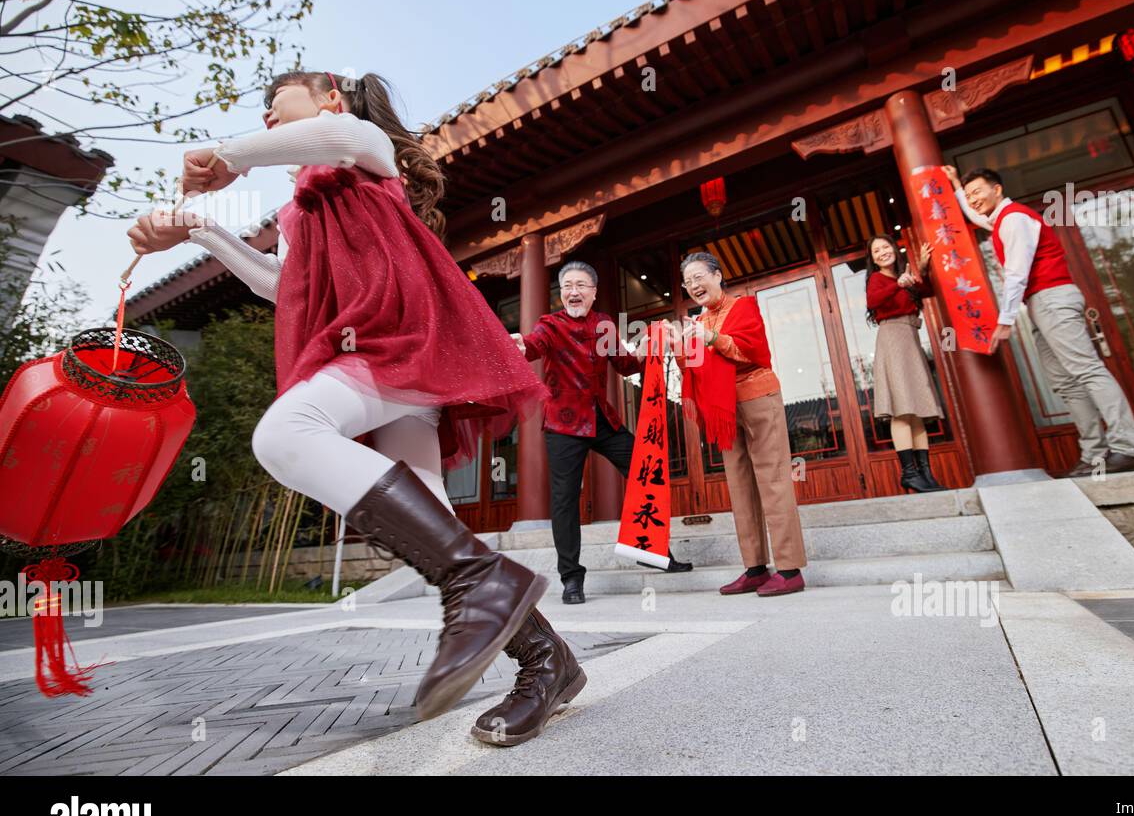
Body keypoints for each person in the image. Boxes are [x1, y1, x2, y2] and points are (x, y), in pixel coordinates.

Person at [128, 70, 579, 748]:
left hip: (396, 341)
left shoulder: (360, 147)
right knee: (436, 521)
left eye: (278, 113)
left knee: (286, 433)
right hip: (380, 365)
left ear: (330, 98)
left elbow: (334, 135)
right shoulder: (295, 213)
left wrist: (227, 155)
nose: (272, 127)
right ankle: (549, 663)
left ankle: (479, 583)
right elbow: (280, 285)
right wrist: (199, 230)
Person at [943, 165, 1134, 476]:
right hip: (1041, 304)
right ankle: (1095, 454)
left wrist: (1006, 319)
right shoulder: (1001, 219)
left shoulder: (1014, 219)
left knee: (1087, 369)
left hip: (1052, 298)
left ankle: (1127, 448)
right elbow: (976, 217)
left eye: (978, 192)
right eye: (969, 196)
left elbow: (1017, 272)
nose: (973, 200)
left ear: (997, 190)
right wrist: (957, 185)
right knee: (1065, 382)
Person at [513, 260, 692, 605]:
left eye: (581, 285)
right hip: (563, 424)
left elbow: (625, 364)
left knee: (647, 470)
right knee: (565, 501)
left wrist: (649, 347)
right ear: (561, 292)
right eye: (567, 285)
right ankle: (571, 578)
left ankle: (652, 549)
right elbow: (534, 344)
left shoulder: (605, 323)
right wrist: (522, 346)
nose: (573, 291)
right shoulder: (549, 324)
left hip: (602, 421)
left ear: (593, 293)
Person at [669, 252, 808, 596]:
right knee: (740, 485)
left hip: (758, 396)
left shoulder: (744, 306)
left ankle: (790, 570)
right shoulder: (698, 322)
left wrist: (712, 340)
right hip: (724, 408)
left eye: (699, 277)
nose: (694, 286)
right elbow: (695, 368)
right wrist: (678, 348)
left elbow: (753, 350)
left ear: (717, 275)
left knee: (774, 479)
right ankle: (755, 567)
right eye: (688, 282)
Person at [865, 235, 947, 493]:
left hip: (910, 338)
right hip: (893, 338)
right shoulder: (877, 280)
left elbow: (928, 291)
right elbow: (872, 302)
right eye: (876, 251)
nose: (881, 253)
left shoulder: (906, 275)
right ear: (873, 259)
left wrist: (921, 270)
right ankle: (909, 473)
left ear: (894, 249)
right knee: (901, 408)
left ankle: (925, 474)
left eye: (885, 247)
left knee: (917, 409)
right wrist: (898, 285)